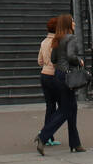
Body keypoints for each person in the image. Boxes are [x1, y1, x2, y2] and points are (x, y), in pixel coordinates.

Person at [35, 13, 85, 154]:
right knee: (66, 109)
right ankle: (43, 136)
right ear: (68, 24)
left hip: (58, 74)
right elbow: (70, 56)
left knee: (72, 108)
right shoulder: (71, 38)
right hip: (67, 75)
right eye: (73, 21)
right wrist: (79, 61)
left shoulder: (58, 38)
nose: (74, 23)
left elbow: (53, 58)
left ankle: (76, 143)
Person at [36, 16, 61, 147]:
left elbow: (39, 61)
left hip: (44, 75)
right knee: (62, 107)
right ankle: (46, 133)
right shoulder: (56, 42)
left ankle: (48, 135)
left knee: (50, 105)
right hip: (53, 75)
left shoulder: (44, 41)